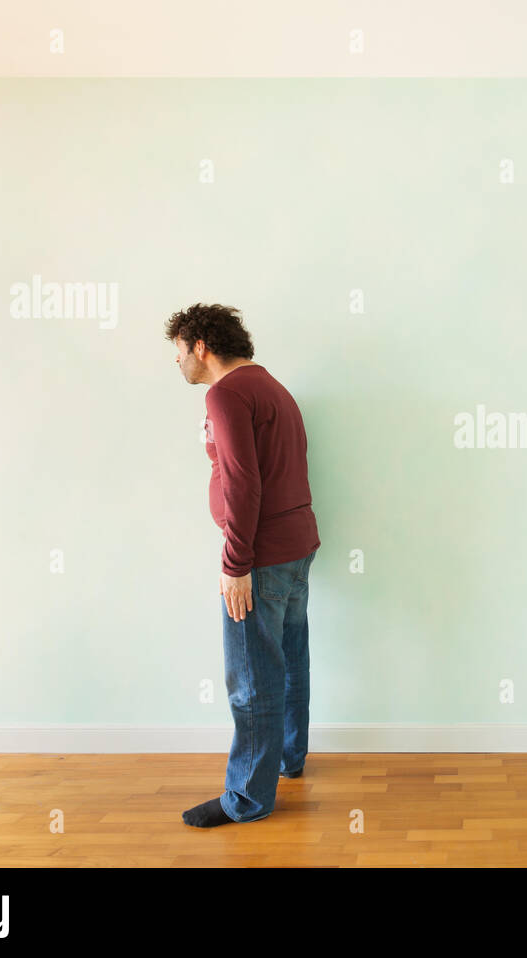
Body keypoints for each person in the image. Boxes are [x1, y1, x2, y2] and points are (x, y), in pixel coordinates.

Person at [165, 303, 320, 827]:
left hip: (262, 555)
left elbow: (243, 483)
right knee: (288, 658)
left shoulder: (226, 393)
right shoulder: (270, 386)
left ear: (200, 346)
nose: (179, 363)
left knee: (252, 676)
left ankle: (248, 799)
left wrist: (236, 565)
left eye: (179, 353)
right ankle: (287, 759)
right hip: (295, 545)